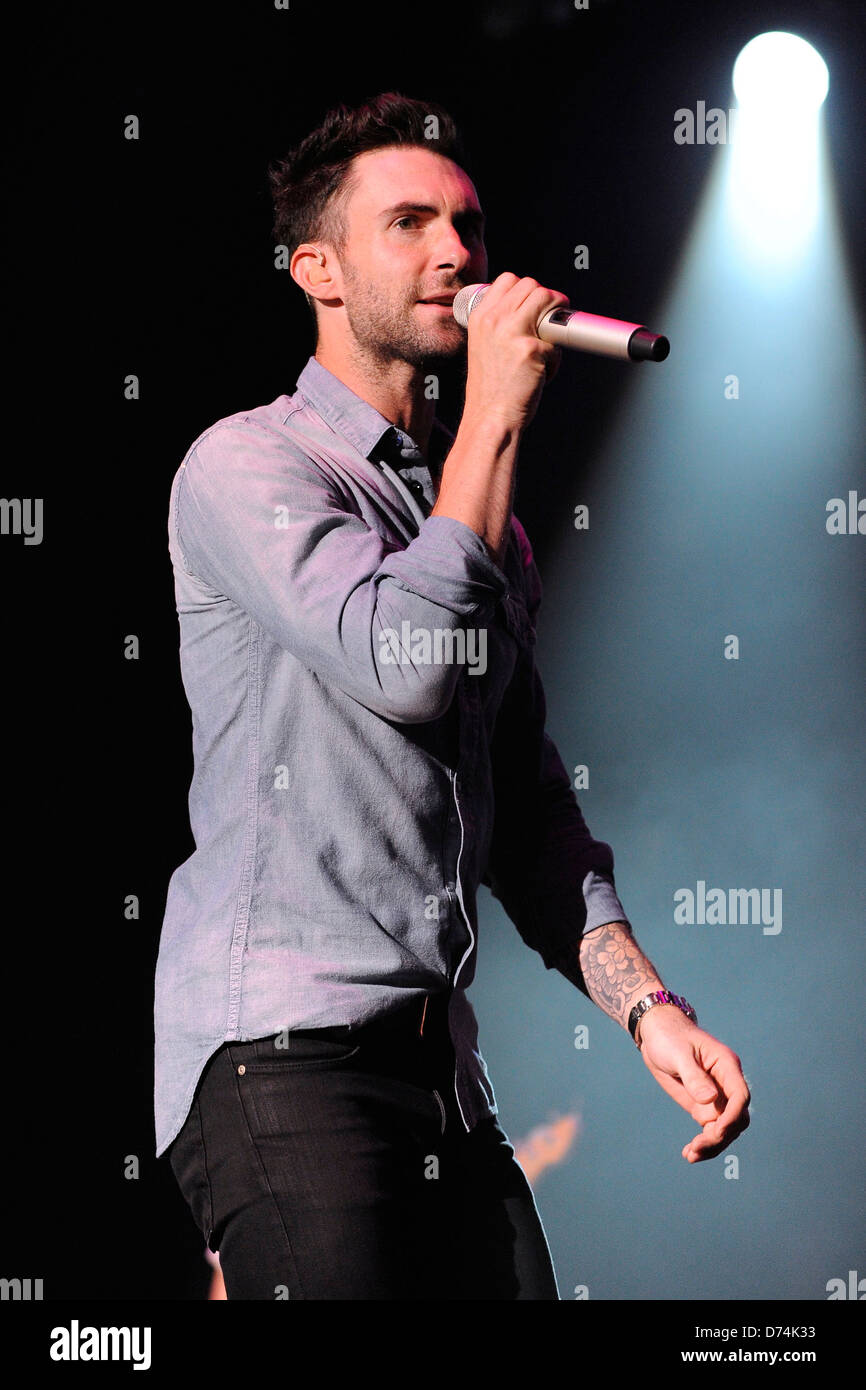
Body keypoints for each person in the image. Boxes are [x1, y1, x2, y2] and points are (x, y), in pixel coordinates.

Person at [155, 91, 750, 1301]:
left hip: (445, 1080)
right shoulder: (247, 462)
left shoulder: (488, 534)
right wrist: (490, 410)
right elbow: (402, 661)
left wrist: (647, 1010)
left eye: (468, 228)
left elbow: (530, 822)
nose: (456, 255)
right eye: (409, 223)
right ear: (315, 269)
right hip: (286, 1061)